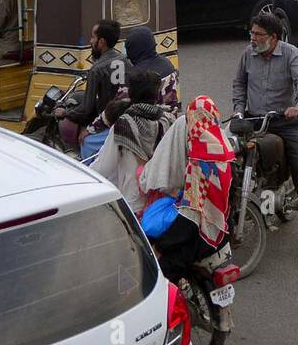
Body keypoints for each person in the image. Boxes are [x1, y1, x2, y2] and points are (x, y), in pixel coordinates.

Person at [232, 10, 298, 259]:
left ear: (273, 38)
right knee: (230, 159)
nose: (252, 39)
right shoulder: (247, 54)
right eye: (251, 33)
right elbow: (239, 83)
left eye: (258, 35)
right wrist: (238, 110)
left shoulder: (292, 55)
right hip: (253, 119)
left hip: (284, 121)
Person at [144, 95, 237, 282]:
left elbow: (191, 217)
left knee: (155, 275)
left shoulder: (200, 159)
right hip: (224, 233)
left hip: (201, 239)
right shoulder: (225, 149)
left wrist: (162, 246)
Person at [89, 69, 173, 195]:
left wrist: (82, 177)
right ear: (156, 95)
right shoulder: (168, 121)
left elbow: (103, 167)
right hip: (161, 195)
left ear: (131, 93)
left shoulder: (124, 124)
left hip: (134, 198)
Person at [56, 19, 127, 150]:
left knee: (85, 141)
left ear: (102, 42)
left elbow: (86, 109)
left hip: (107, 122)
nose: (90, 41)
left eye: (93, 37)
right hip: (124, 116)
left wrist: (65, 113)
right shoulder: (124, 59)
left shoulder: (97, 69)